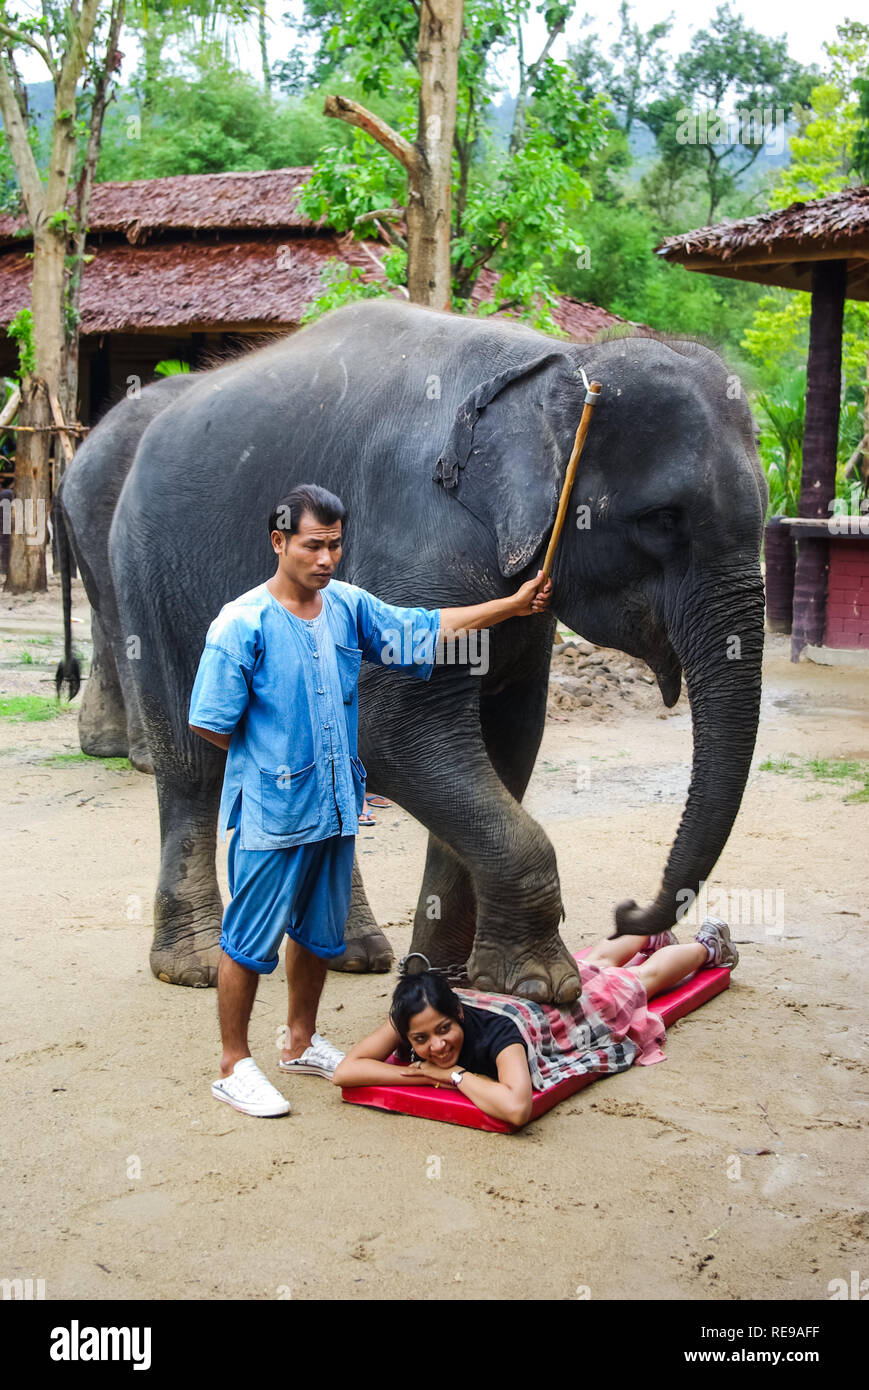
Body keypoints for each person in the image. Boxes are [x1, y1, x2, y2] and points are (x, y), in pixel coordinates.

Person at [188, 483, 553, 1118]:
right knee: (247, 940)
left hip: (333, 805)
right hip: (274, 816)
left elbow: (423, 628)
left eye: (335, 545)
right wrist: (278, 761)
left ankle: (299, 1042)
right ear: (279, 543)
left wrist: (513, 605)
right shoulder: (240, 623)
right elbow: (211, 724)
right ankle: (233, 1064)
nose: (326, 559)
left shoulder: (346, 607)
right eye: (312, 546)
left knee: (318, 933)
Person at [334, 918, 739, 1128]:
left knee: (632, 981)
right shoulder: (415, 1011)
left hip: (561, 1017)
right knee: (590, 963)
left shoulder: (499, 1036)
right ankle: (649, 933)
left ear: (458, 1011)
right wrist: (425, 1075)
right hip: (529, 996)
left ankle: (709, 946)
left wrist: (453, 1076)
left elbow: (515, 1108)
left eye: (444, 1030)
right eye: (419, 1040)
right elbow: (345, 1072)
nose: (436, 1046)